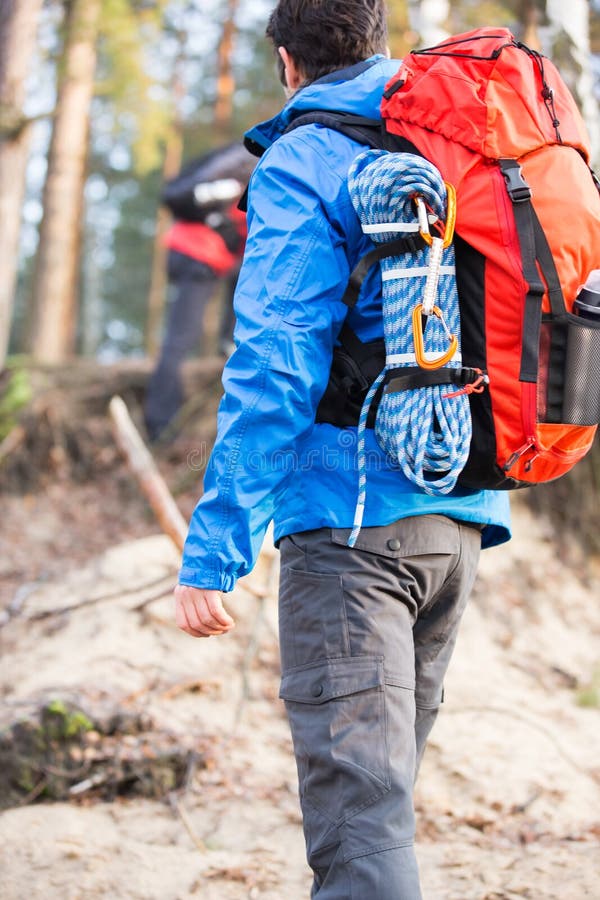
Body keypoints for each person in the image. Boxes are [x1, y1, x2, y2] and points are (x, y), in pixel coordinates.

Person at [174, 2, 511, 897]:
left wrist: (217, 548)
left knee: (362, 837)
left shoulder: (306, 155)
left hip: (353, 530)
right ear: (376, 40)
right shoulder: (450, 129)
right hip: (463, 515)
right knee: (379, 812)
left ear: (287, 61)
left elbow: (276, 363)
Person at [144, 145, 252, 442]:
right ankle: (159, 424)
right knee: (180, 339)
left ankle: (227, 343)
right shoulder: (242, 172)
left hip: (197, 253)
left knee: (242, 275)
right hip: (196, 253)